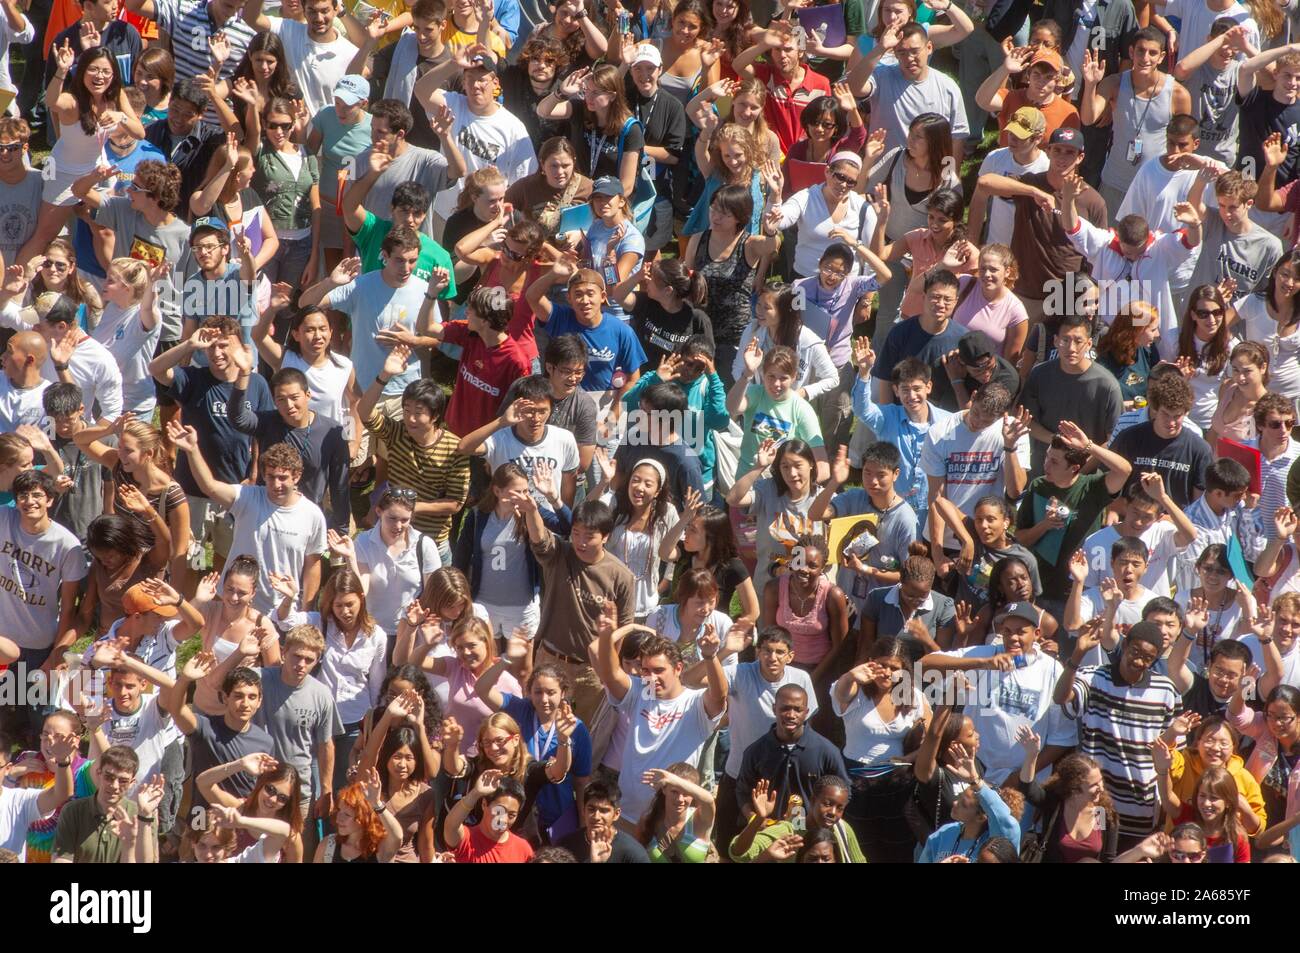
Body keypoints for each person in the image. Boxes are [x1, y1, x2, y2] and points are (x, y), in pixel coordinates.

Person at [594, 599, 726, 825]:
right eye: (645, 670)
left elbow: (719, 695)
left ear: (678, 668)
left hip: (671, 820)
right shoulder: (640, 692)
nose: (651, 677)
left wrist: (710, 657)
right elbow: (610, 675)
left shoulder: (694, 703)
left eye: (659, 670)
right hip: (627, 814)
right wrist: (607, 636)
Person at [921, 602, 1078, 786]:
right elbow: (923, 665)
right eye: (1007, 631)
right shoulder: (986, 655)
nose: (1013, 638)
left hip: (1023, 782)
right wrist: (982, 663)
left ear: (1036, 634)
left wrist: (1019, 778)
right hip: (973, 772)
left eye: (1020, 632)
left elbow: (1062, 738)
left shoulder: (1052, 670)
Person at [1054, 619, 1181, 843]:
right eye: (1135, 651)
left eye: (1148, 658)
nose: (1139, 660)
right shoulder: (1095, 678)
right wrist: (1078, 654)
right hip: (1098, 801)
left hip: (1141, 806)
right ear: (1124, 645)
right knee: (1097, 853)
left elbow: (1175, 753)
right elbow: (1061, 697)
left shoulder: (1166, 691)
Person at [355, 345, 470, 561]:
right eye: (407, 411)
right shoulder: (397, 432)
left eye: (419, 413)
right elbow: (364, 413)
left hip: (432, 542)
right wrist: (384, 375)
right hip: (393, 536)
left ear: (435, 416)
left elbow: (455, 503)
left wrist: (411, 507)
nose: (410, 419)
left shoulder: (454, 449)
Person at [1110, 371, 1215, 509]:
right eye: (1166, 414)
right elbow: (1108, 485)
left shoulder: (1199, 449)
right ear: (1155, 409)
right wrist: (1113, 509)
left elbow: (1199, 506)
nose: (1171, 422)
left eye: (1177, 416)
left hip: (1174, 524)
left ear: (1186, 412)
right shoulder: (1129, 438)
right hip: (1130, 517)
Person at [51, 747, 164, 864]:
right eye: (109, 777)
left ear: (132, 783)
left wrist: (144, 817)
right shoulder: (73, 811)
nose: (114, 785)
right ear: (98, 774)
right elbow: (62, 858)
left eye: (123, 781)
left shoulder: (140, 816)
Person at [1006, 746, 1120, 862]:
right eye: (1094, 785)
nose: (1101, 788)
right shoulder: (1056, 805)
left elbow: (1108, 858)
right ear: (1074, 789)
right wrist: (1032, 755)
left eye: (1101, 781)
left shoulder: (1101, 812)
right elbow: (1028, 789)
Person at [194, 754, 305, 863]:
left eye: (282, 798)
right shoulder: (239, 809)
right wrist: (240, 764)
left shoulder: (290, 835)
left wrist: (242, 822)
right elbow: (203, 783)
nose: (273, 799)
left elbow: (285, 833)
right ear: (261, 784)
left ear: (288, 803)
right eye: (270, 789)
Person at [729, 773, 864, 862]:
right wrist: (758, 819)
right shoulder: (790, 829)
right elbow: (738, 853)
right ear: (812, 800)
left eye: (840, 808)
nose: (833, 812)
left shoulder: (842, 829)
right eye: (827, 804)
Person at [556, 778, 650, 862]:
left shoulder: (633, 854)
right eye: (591, 809)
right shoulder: (565, 845)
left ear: (616, 814)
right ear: (583, 810)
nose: (596, 816)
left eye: (604, 811)